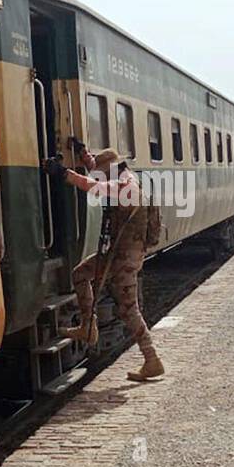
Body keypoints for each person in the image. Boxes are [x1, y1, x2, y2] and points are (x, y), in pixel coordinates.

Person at [45, 145, 164, 382]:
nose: (98, 173)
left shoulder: (127, 187)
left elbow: (97, 186)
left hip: (125, 260)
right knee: (80, 274)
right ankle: (88, 327)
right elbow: (99, 177)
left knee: (128, 309)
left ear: (111, 170)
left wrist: (65, 174)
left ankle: (152, 359)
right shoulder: (123, 176)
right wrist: (85, 155)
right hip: (116, 255)